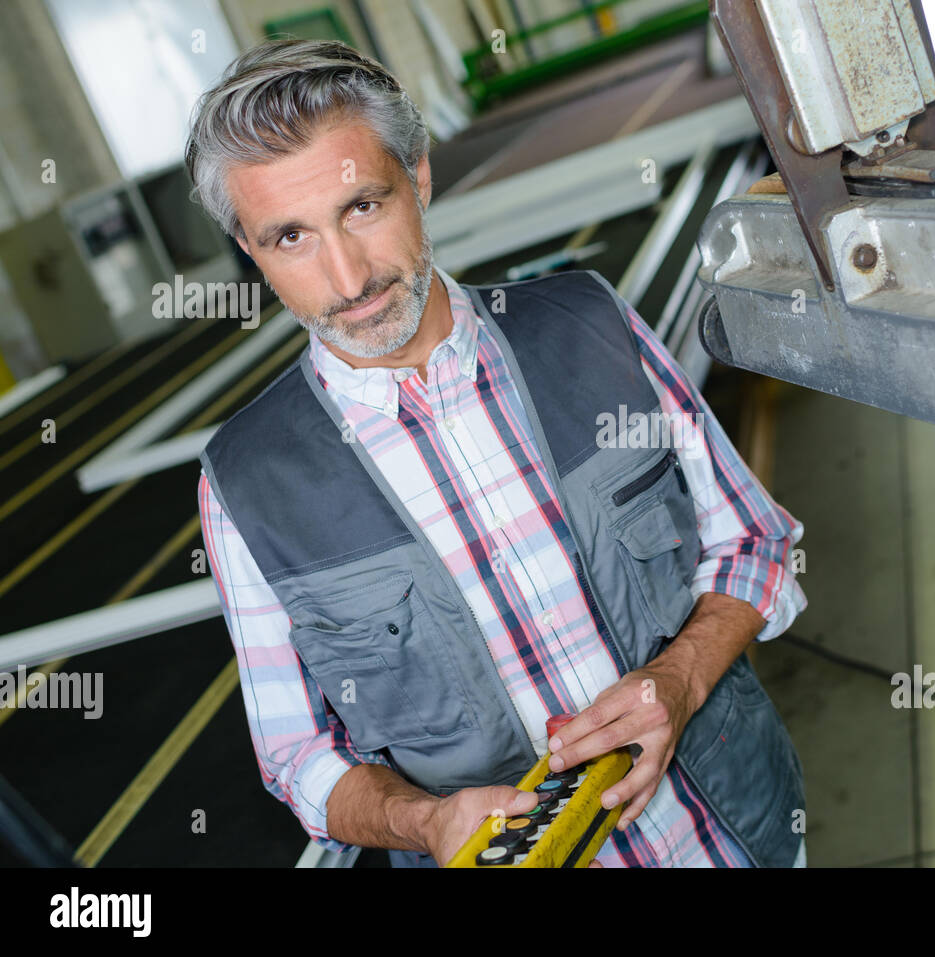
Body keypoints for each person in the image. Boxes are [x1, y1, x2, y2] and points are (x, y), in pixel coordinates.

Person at [189, 38, 808, 868]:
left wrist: (681, 680)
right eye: (290, 237)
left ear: (419, 175)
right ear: (253, 254)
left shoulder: (588, 324)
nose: (347, 278)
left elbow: (753, 541)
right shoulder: (245, 482)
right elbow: (297, 755)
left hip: (733, 837)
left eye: (363, 207)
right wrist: (423, 823)